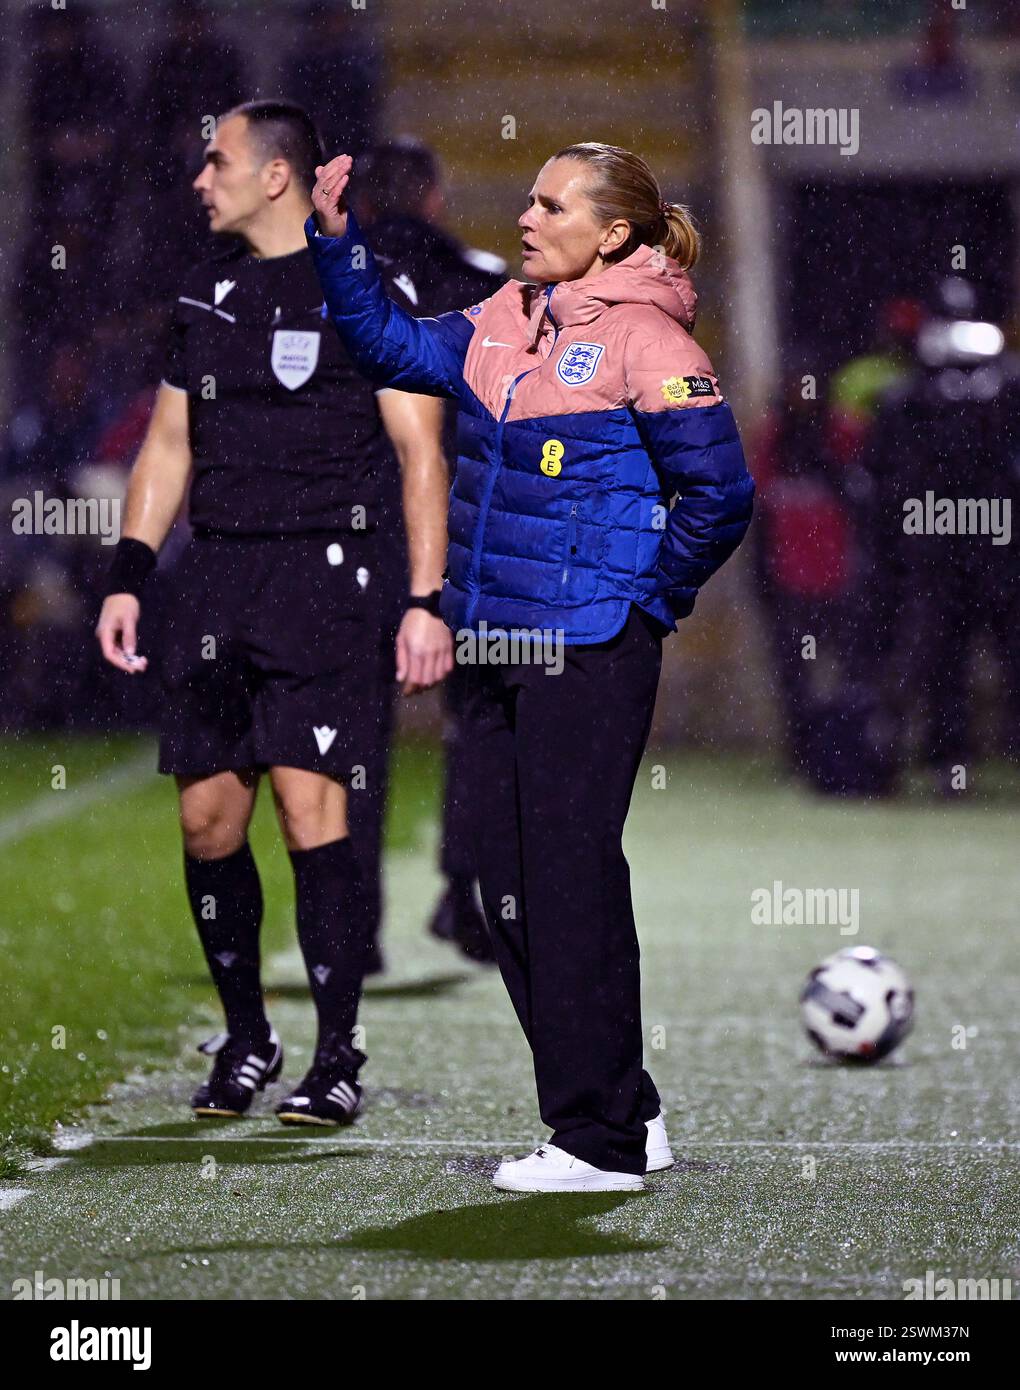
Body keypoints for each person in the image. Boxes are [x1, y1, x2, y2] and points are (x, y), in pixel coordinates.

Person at [307, 141, 755, 1191]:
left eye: (552, 205)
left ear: (611, 233)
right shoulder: (509, 316)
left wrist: (644, 598)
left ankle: (593, 1140)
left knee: (564, 878)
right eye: (530, 198)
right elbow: (389, 348)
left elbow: (722, 497)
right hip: (499, 640)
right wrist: (339, 247)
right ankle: (625, 1110)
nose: (527, 216)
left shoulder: (648, 340)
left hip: (589, 645)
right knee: (510, 885)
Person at [95, 101, 452, 1126]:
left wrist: (424, 598)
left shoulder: (370, 288)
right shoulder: (203, 294)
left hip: (326, 583)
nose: (199, 180)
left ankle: (338, 1050)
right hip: (215, 584)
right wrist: (129, 571)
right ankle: (248, 1033)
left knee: (311, 811)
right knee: (209, 821)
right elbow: (169, 445)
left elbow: (422, 454)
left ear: (276, 177)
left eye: (217, 162)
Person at [352, 137, 508, 964]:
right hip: (467, 526)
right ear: (436, 198)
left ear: (367, 204)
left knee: (354, 728)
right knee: (478, 717)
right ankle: (467, 894)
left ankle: (356, 922)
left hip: (362, 525)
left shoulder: (340, 275)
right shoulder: (486, 283)